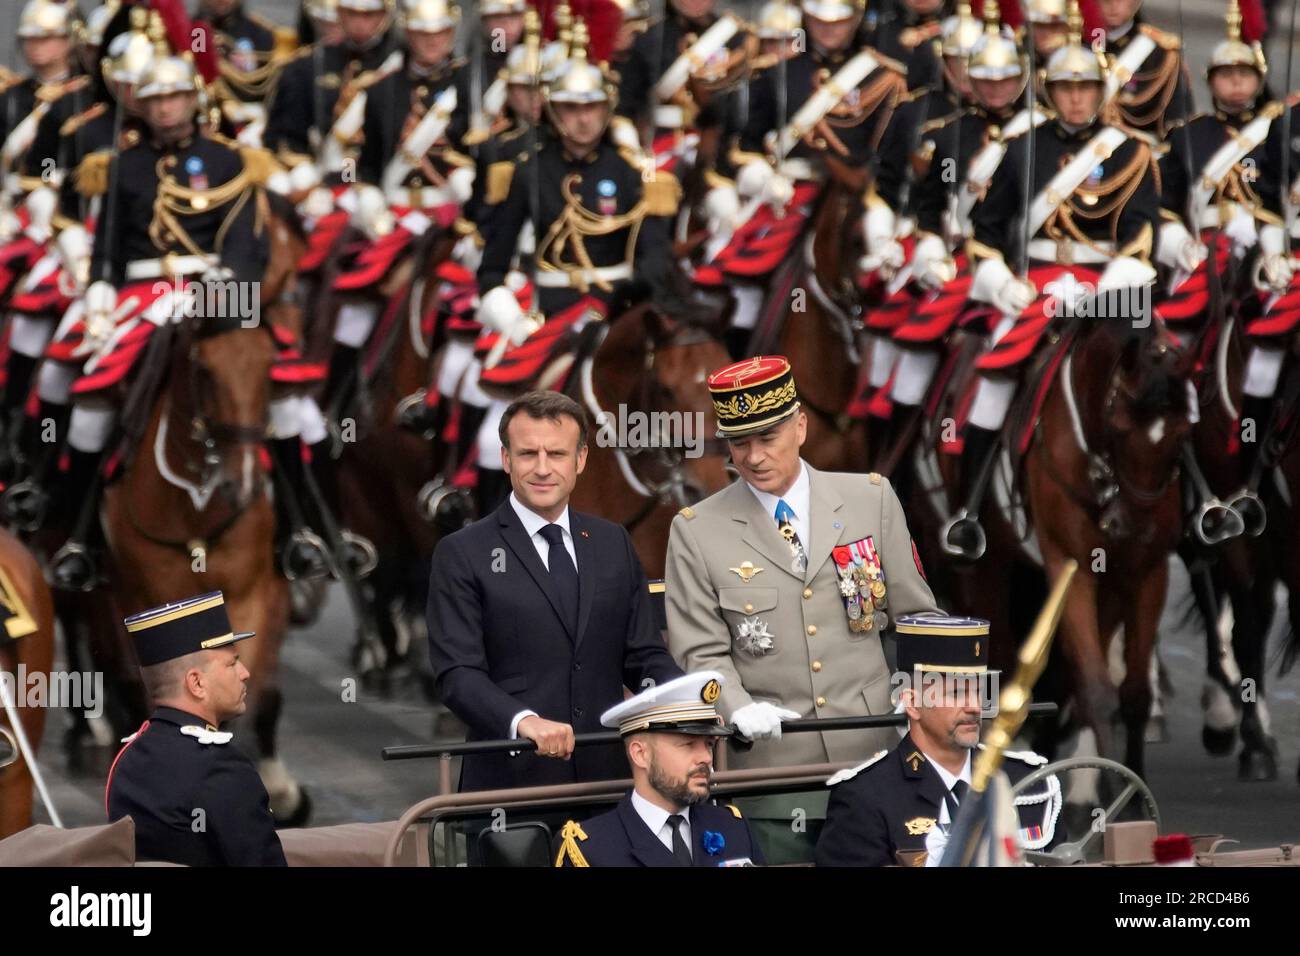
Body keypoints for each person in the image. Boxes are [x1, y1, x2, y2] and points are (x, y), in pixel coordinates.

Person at [665, 355, 940, 858]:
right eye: (739, 443)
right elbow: (700, 651)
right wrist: (737, 708)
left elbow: (917, 619)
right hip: (776, 771)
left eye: (767, 438)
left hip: (875, 755)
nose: (753, 457)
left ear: (801, 426)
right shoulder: (697, 529)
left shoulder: (869, 499)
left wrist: (919, 690)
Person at [944, 0, 1161, 561]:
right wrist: (998, 279)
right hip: (1038, 284)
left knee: (1163, 380)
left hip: (1115, 288)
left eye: (1085, 88)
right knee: (992, 380)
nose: (1075, 98)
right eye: (1064, 88)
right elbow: (985, 233)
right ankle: (969, 511)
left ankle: (1193, 502)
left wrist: (1100, 290)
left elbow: (1140, 237)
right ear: (1048, 89)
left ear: (1101, 91)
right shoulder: (1022, 149)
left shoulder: (1134, 154)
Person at [427, 390, 682, 791]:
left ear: (580, 460)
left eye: (557, 454)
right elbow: (457, 674)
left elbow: (643, 654)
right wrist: (522, 721)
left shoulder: (611, 541)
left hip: (608, 785)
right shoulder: (462, 553)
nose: (542, 468)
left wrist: (688, 701)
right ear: (506, 460)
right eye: (528, 454)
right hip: (511, 790)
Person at [815, 614, 1060, 866]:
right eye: (956, 693)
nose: (975, 707)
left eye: (979, 691)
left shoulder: (1030, 782)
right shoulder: (865, 798)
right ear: (912, 703)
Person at [105, 591, 287, 867]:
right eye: (232, 663)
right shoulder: (222, 768)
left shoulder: (127, 760)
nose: (245, 673)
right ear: (196, 683)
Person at [555, 671, 764, 866]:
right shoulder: (591, 848)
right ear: (641, 754)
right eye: (688, 745)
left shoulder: (733, 828)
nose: (706, 758)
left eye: (709, 744)